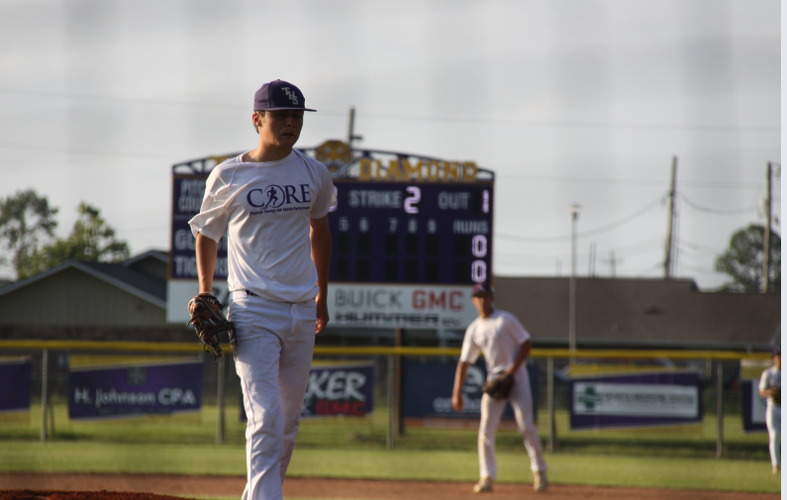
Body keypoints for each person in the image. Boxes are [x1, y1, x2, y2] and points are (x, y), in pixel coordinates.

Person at [189, 79, 335, 500]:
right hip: (253, 310)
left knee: (287, 423)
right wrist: (204, 291)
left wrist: (323, 294)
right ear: (258, 119)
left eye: (297, 117)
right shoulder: (229, 174)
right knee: (266, 416)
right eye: (281, 116)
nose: (291, 123)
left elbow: (320, 234)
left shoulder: (314, 173)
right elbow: (206, 234)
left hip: (303, 310)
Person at [451, 283, 549, 493]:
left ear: (492, 298)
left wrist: (510, 373)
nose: (482, 300)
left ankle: (539, 471)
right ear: (473, 301)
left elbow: (526, 344)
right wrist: (456, 393)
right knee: (486, 429)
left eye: (485, 296)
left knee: (526, 425)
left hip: (517, 378)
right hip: (495, 380)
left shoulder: (506, 320)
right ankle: (486, 476)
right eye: (478, 297)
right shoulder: (474, 329)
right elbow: (464, 362)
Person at [759, 344, 781, 474]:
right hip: (772, 407)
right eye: (777, 355)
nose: (780, 358)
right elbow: (761, 392)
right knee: (774, 435)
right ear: (773, 358)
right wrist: (771, 393)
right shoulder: (768, 373)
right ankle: (776, 465)